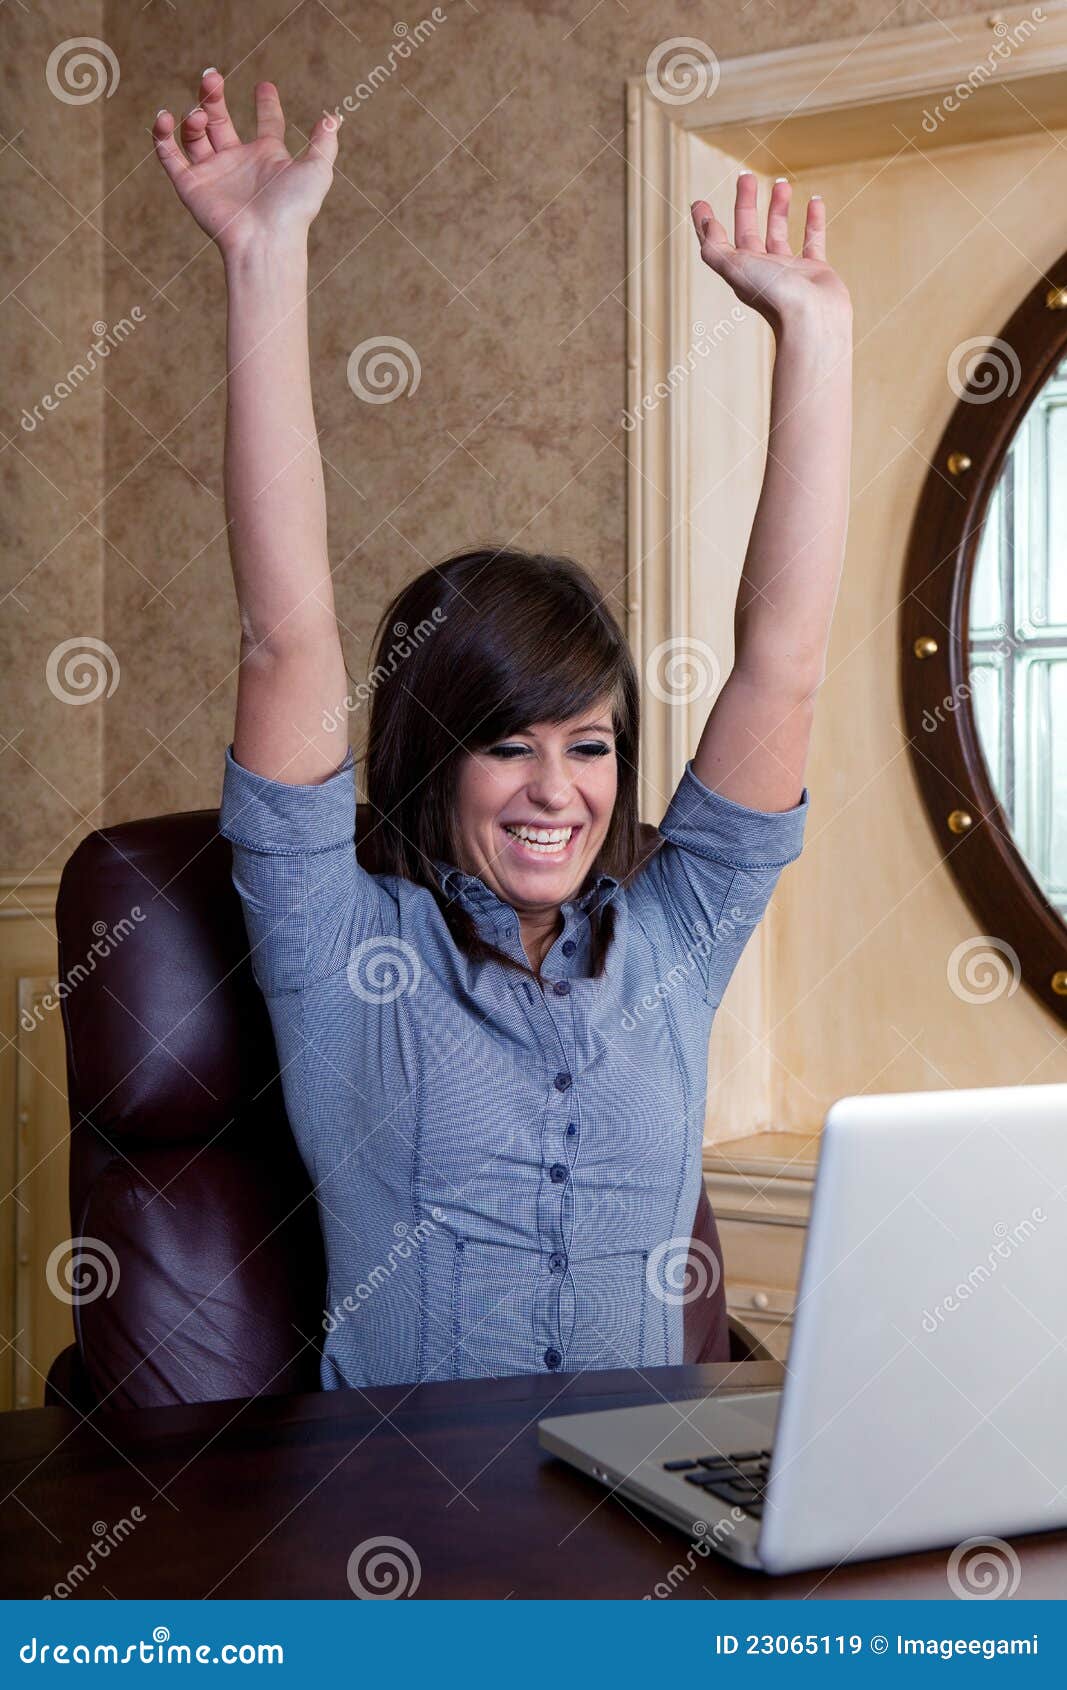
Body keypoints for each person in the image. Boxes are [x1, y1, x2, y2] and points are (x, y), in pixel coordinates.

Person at [152, 71, 851, 1391]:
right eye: (509, 742)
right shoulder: (337, 945)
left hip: (644, 1539)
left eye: (590, 745)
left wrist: (813, 336)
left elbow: (785, 666)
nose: (558, 789)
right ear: (431, 752)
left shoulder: (675, 941)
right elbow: (284, 634)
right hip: (413, 1553)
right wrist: (264, 257)